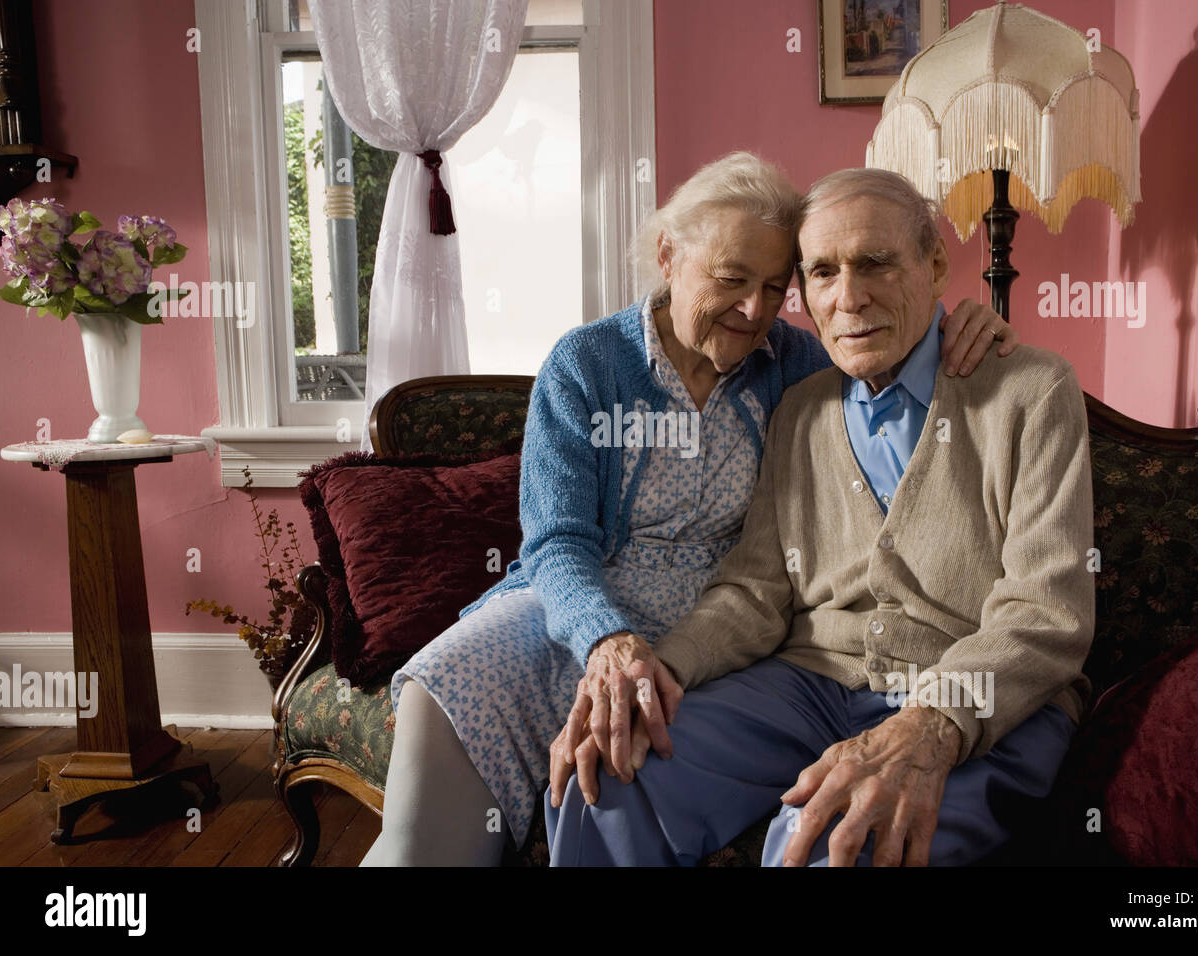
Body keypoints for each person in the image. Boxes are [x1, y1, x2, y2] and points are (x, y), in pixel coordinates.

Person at [359, 153, 1016, 866]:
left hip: (706, 626)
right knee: (444, 694)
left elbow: (883, 341)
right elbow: (556, 543)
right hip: (577, 609)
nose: (753, 311)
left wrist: (965, 324)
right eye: (731, 280)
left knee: (612, 775)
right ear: (669, 256)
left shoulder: (796, 365)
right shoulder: (587, 363)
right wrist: (606, 639)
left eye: (773, 287)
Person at [544, 167, 1095, 867]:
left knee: (832, 846)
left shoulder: (1032, 392)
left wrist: (932, 722)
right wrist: (649, 677)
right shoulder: (800, 406)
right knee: (602, 777)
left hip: (981, 698)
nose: (849, 298)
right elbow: (753, 590)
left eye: (875, 264)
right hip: (807, 687)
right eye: (822, 274)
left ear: (934, 264)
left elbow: (1047, 613)